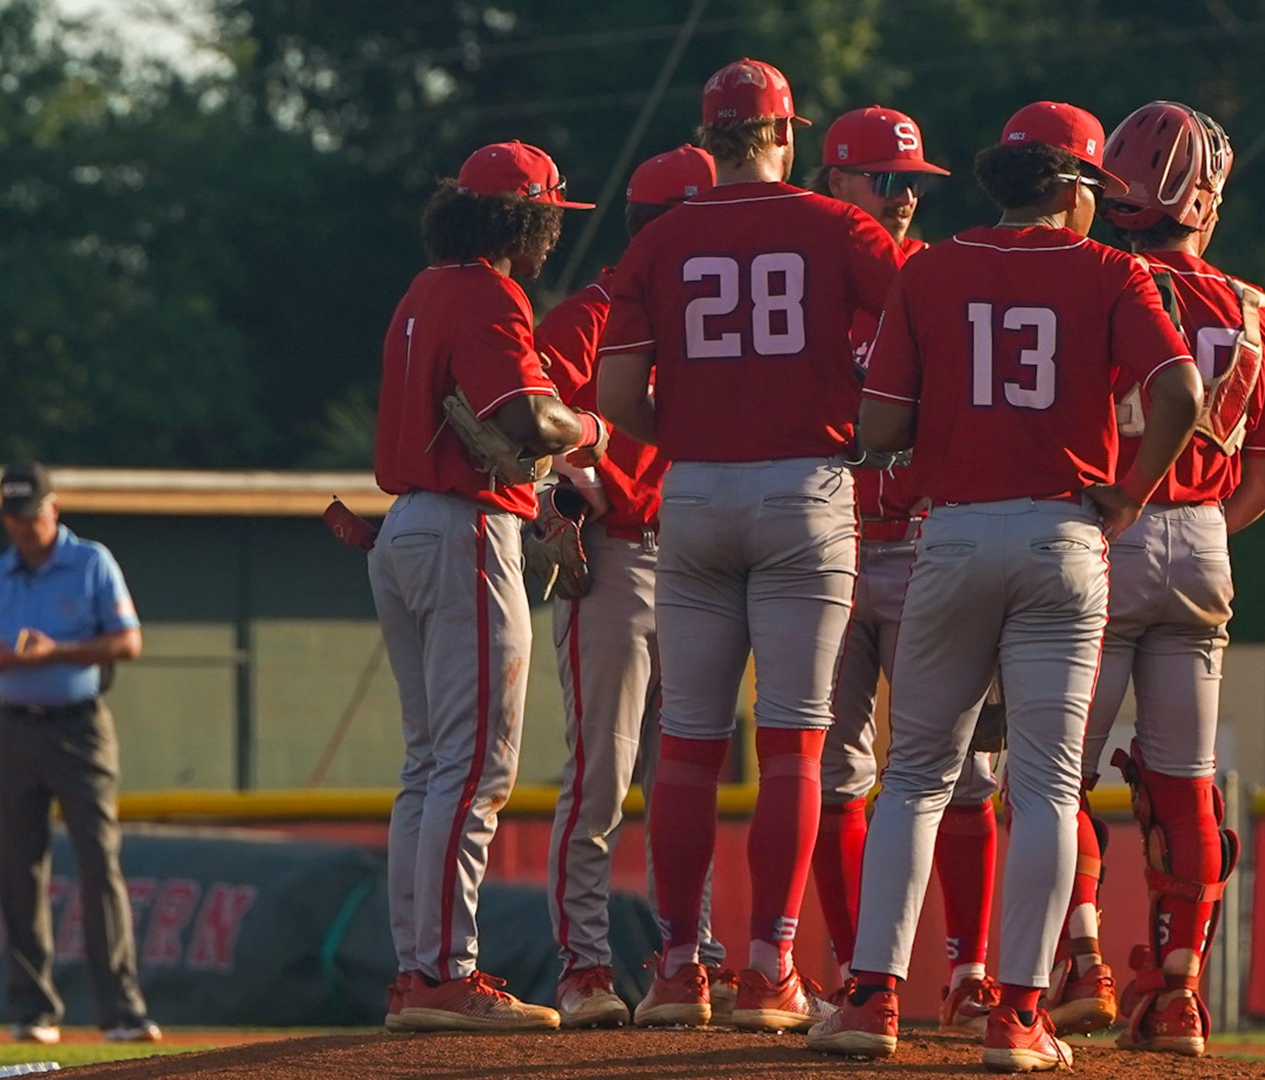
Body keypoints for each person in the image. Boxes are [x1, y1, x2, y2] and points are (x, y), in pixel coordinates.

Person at [807, 100, 1204, 1072]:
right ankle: (1017, 1016)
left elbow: (885, 427)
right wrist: (1129, 495)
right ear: (1072, 188)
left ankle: (870, 1000)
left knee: (915, 778)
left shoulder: (932, 268)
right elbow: (1184, 393)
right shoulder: (1112, 271)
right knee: (1042, 783)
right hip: (1064, 533)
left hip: (952, 532)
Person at [594, 58, 903, 1033]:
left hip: (693, 490)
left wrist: (689, 434)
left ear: (707, 136)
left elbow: (611, 399)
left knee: (686, 743)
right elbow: (919, 323)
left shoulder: (666, 236)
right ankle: (772, 964)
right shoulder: (835, 224)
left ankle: (681, 964)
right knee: (794, 742)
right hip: (805, 488)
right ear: (789, 132)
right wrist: (865, 425)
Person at [1053, 100, 1265, 1054]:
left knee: (1054, 774)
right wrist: (1202, 527)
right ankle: (1180, 995)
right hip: (1203, 543)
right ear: (1201, 199)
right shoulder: (1254, 313)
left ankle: (1079, 964)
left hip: (1099, 530)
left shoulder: (1095, 282)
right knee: (1185, 784)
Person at [370, 140, 603, 1032]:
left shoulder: (425, 288)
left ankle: (416, 971)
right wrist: (590, 428)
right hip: (462, 532)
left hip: (408, 529)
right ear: (523, 218)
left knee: (431, 764)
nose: (552, 239)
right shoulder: (488, 294)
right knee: (473, 768)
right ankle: (443, 975)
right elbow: (528, 418)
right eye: (549, 218)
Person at [804, 104, 1001, 1036]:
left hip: (930, 546)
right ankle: (857, 977)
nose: (907, 200)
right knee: (834, 773)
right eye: (889, 182)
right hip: (831, 547)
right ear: (834, 180)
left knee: (966, 774)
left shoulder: (936, 280)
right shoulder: (801, 284)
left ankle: (971, 975)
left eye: (917, 185)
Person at [536, 144, 734, 1028]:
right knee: (604, 779)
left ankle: (690, 957)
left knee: (685, 775)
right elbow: (540, 443)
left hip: (699, 556)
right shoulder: (586, 318)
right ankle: (584, 966)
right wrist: (566, 495)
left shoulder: (712, 311)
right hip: (614, 556)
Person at [0, 463, 160, 1046]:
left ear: (53, 510)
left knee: (99, 864)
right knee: (18, 869)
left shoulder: (90, 562)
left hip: (79, 728)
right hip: (14, 730)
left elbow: (129, 641)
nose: (23, 530)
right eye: (13, 521)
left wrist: (56, 652)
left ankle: (121, 1010)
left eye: (31, 518)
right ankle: (33, 1010)